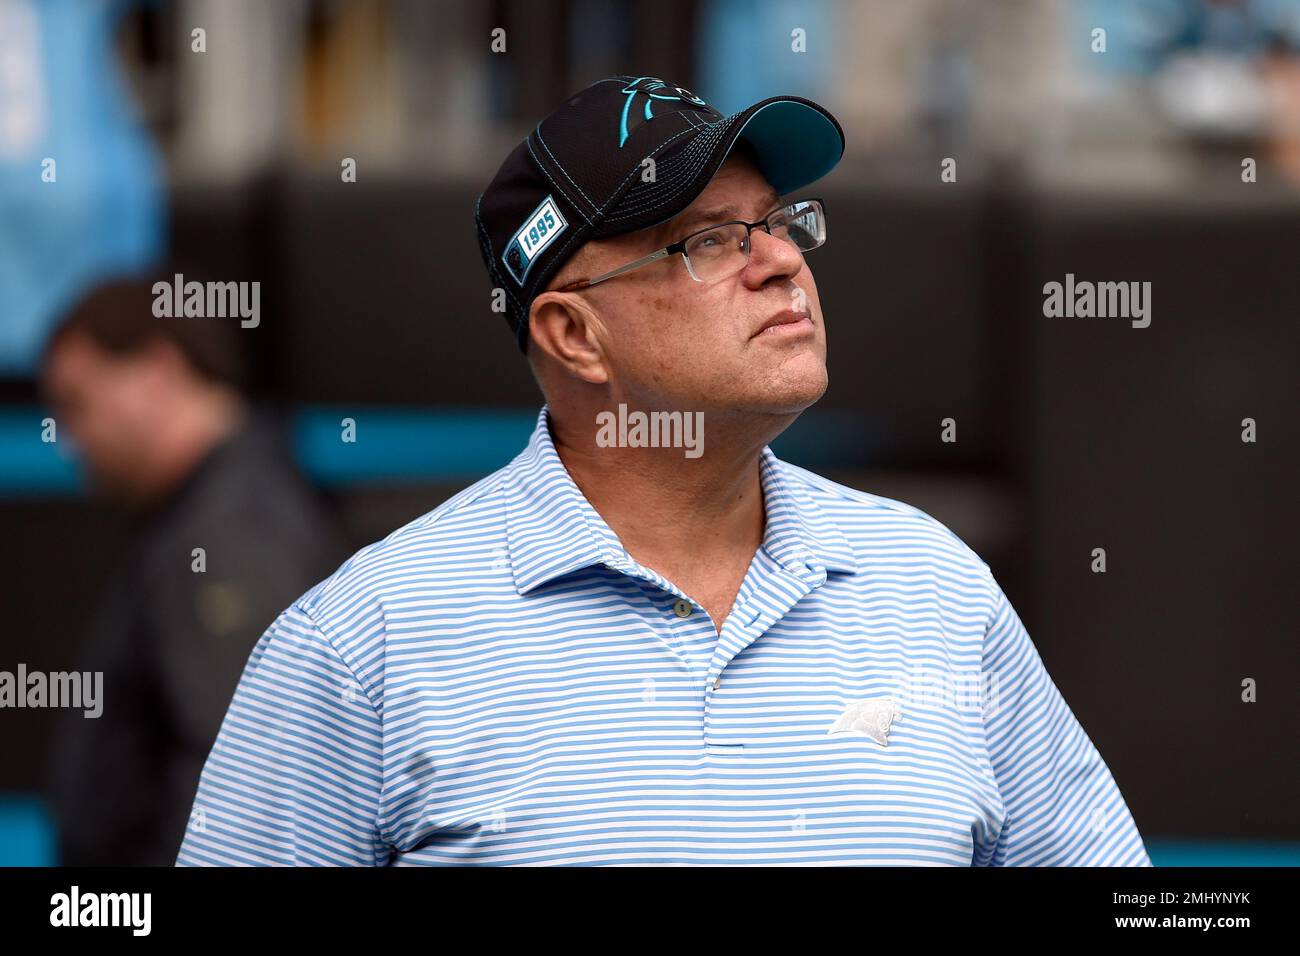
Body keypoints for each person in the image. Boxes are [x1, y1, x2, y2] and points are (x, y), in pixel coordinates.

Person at [177, 75, 1150, 866]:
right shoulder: (366, 641)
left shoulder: (933, 588)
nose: (779, 262)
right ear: (573, 333)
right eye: (709, 240)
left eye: (778, 222)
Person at [40, 279, 348, 865]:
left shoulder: (233, 531)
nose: (68, 440)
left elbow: (247, 780)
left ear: (158, 370)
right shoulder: (211, 512)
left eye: (77, 403)